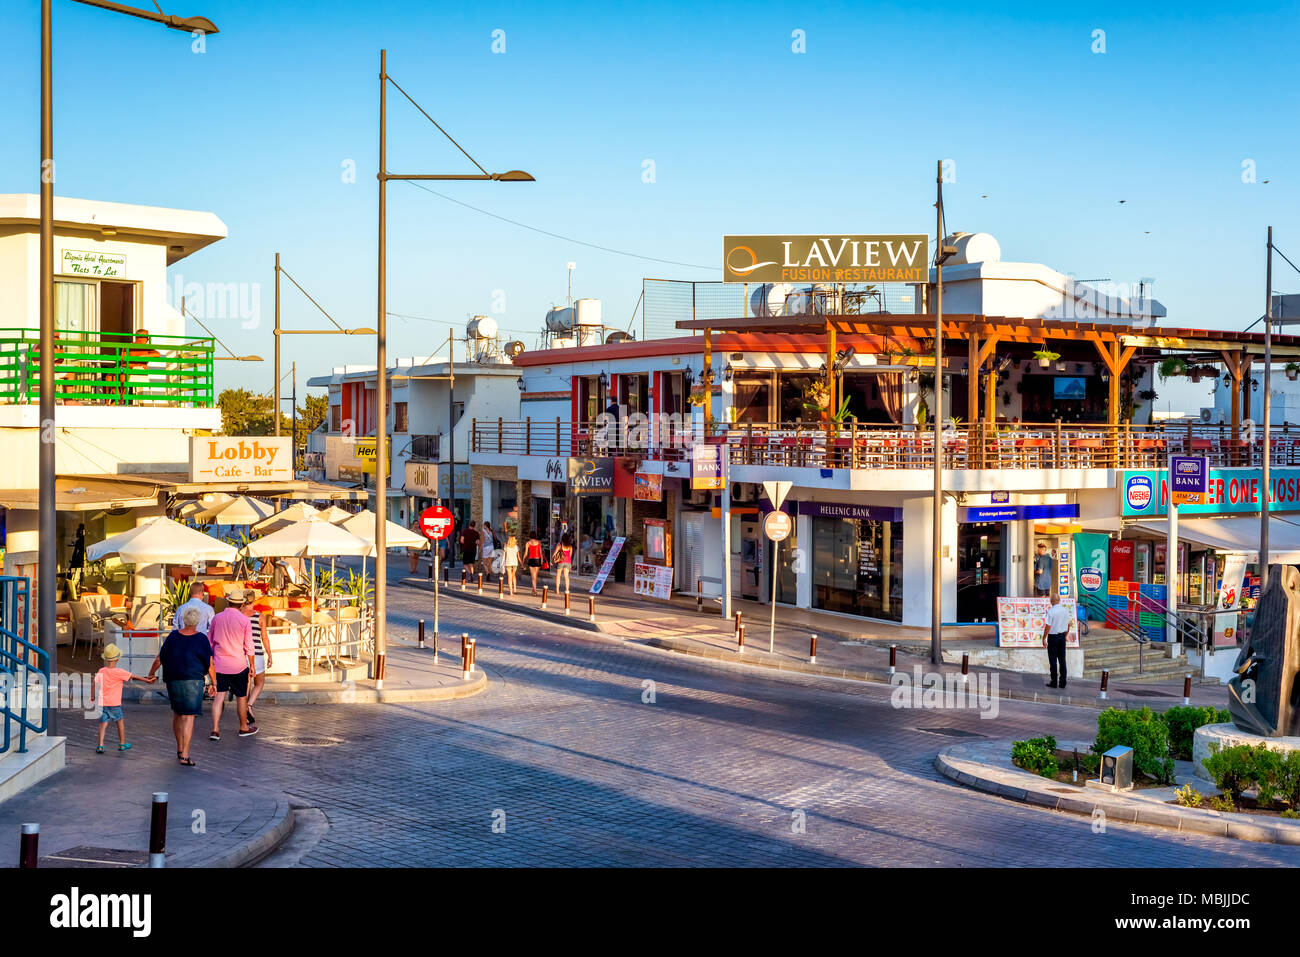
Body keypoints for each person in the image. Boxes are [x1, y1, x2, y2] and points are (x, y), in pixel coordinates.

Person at [147, 607, 214, 767]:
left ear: (184, 620)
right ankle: (185, 754)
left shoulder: (173, 637)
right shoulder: (201, 639)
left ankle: (179, 748)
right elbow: (210, 663)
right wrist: (214, 682)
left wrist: (150, 673)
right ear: (197, 623)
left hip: (173, 679)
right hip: (193, 680)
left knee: (177, 714)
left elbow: (160, 658)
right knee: (189, 717)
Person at [207, 588, 258, 740]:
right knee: (241, 698)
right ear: (242, 604)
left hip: (219, 665)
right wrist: (252, 665)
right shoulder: (244, 621)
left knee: (218, 698)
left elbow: (210, 642)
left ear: (228, 601)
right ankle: (243, 727)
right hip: (238, 665)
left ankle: (215, 730)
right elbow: (249, 645)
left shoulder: (217, 618)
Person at [91, 643, 155, 754]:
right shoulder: (119, 672)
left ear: (106, 659)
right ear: (117, 659)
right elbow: (133, 676)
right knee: (119, 722)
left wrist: (92, 696)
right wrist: (147, 680)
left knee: (103, 724)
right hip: (115, 704)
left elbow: (94, 684)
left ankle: (100, 745)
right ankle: (122, 743)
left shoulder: (101, 671)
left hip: (103, 703)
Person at [244, 598, 271, 725]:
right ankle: (249, 706)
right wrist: (270, 654)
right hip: (257, 653)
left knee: (246, 684)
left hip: (242, 653)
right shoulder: (260, 617)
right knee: (259, 682)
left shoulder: (239, 615)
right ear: (253, 601)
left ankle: (244, 709)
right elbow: (264, 637)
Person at [1042, 592, 1072, 689]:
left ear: (1051, 601)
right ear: (1059, 600)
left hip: (1053, 637)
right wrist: (1065, 635)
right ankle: (1063, 682)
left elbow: (1048, 626)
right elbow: (1068, 625)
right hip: (1062, 637)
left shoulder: (1051, 612)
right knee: (1062, 660)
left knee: (1053, 661)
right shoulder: (1065, 611)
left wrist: (1044, 638)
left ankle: (1054, 682)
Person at [524, 530, 544, 595]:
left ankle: (534, 590)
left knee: (533, 576)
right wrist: (542, 560)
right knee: (536, 575)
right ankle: (534, 589)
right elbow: (540, 552)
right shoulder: (538, 542)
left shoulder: (528, 543)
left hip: (531, 560)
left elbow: (526, 553)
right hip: (537, 559)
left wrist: (523, 559)